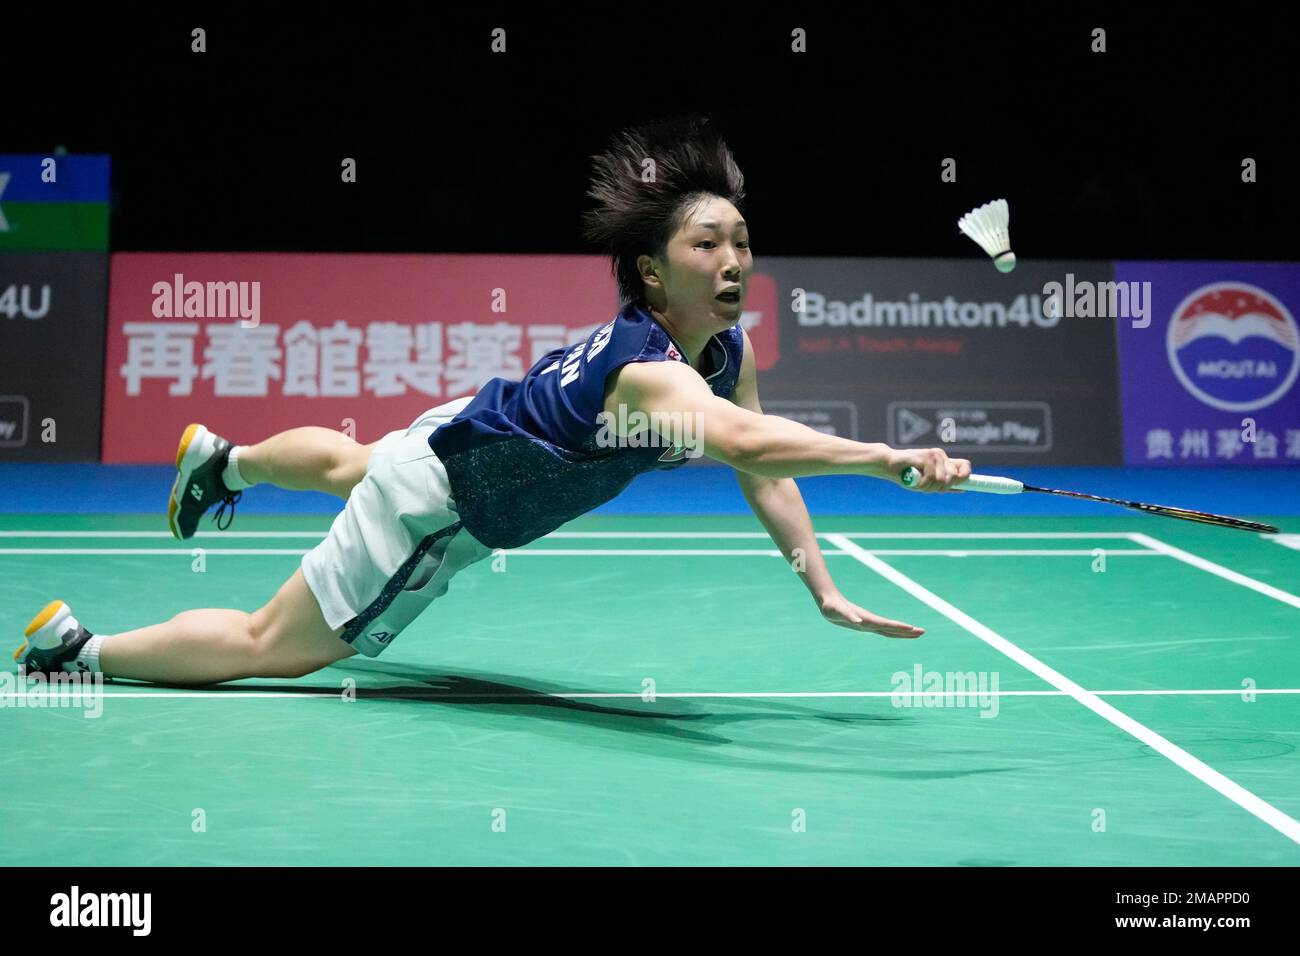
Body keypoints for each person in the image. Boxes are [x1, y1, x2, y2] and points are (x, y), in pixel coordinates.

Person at [14, 115, 970, 685]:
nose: (733, 262)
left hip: (457, 434)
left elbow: (759, 472)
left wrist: (823, 584)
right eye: (706, 245)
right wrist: (886, 459)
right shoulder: (649, 373)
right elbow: (744, 441)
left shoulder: (723, 349)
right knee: (278, 645)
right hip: (446, 508)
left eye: (742, 241)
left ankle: (225, 460)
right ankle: (76, 650)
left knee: (360, 463)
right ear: (650, 270)